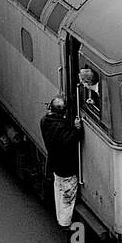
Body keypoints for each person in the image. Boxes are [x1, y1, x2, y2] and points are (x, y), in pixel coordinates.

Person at [39, 95, 80, 229]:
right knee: (66, 197)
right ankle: (65, 223)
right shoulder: (62, 127)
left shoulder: (44, 121)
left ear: (50, 108)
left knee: (59, 191)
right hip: (66, 168)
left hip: (55, 165)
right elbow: (69, 142)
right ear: (64, 112)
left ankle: (62, 220)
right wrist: (77, 129)